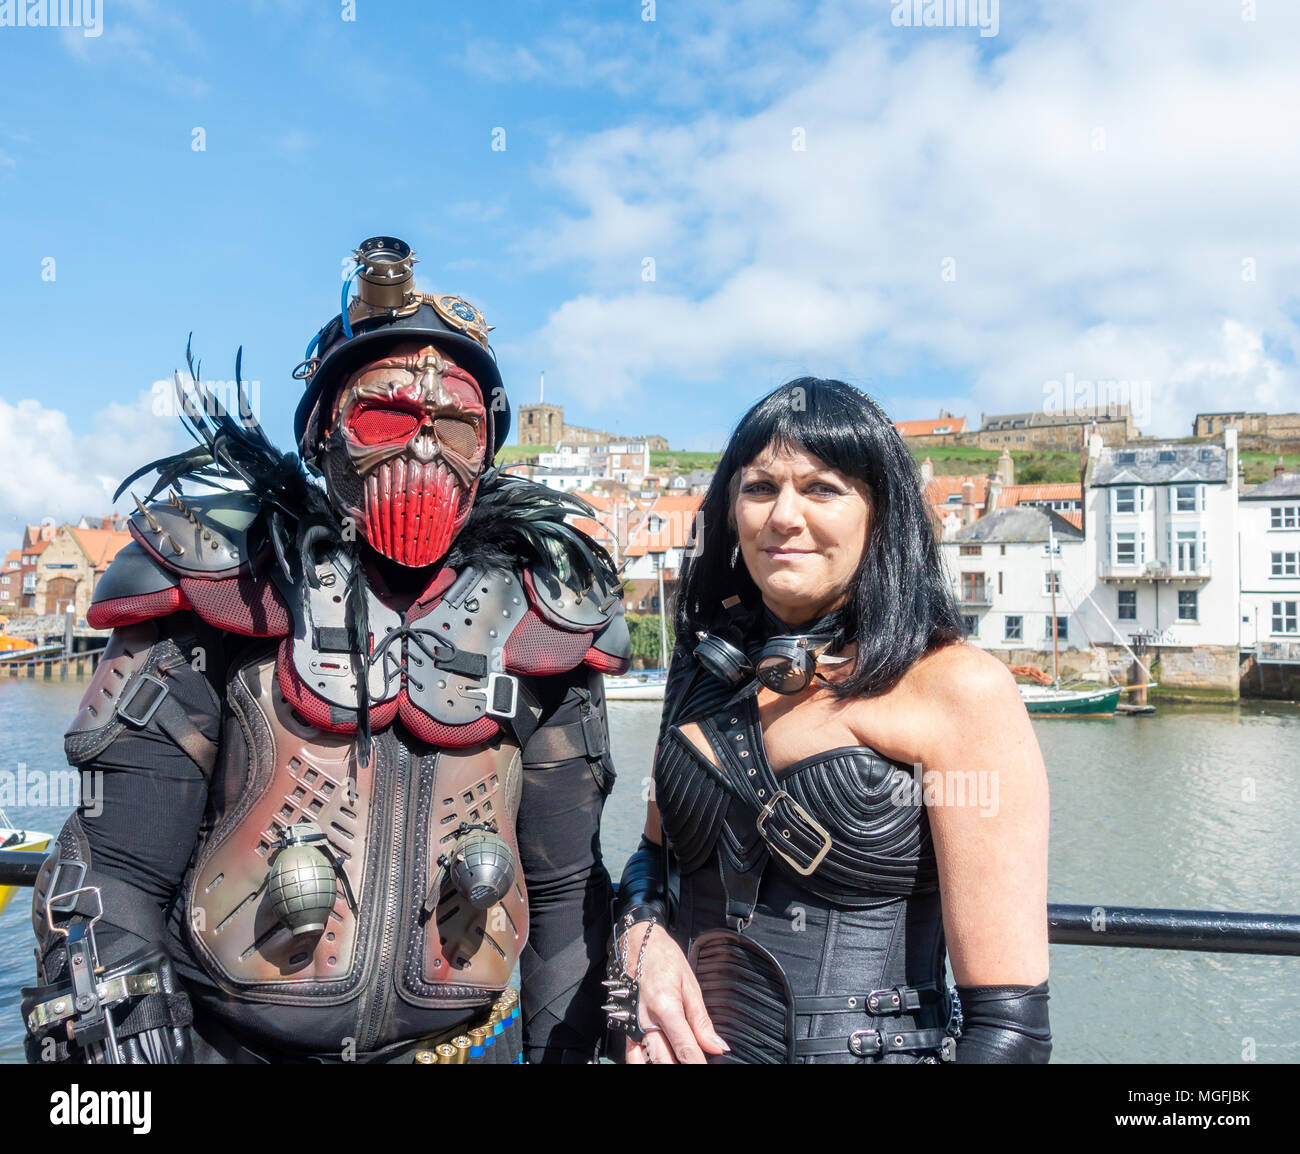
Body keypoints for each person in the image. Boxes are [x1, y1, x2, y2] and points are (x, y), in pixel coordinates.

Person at [22, 237, 629, 1064]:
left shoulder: (543, 622)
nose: (423, 450)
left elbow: (565, 899)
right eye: (387, 417)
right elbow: (115, 866)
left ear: (486, 449)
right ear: (325, 437)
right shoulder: (224, 588)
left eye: (454, 425)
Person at [606, 378, 1052, 1064]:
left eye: (822, 489)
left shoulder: (957, 688)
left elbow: (1008, 1032)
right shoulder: (702, 668)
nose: (784, 516)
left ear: (881, 513)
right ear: (730, 511)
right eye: (760, 488)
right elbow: (653, 858)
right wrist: (641, 938)